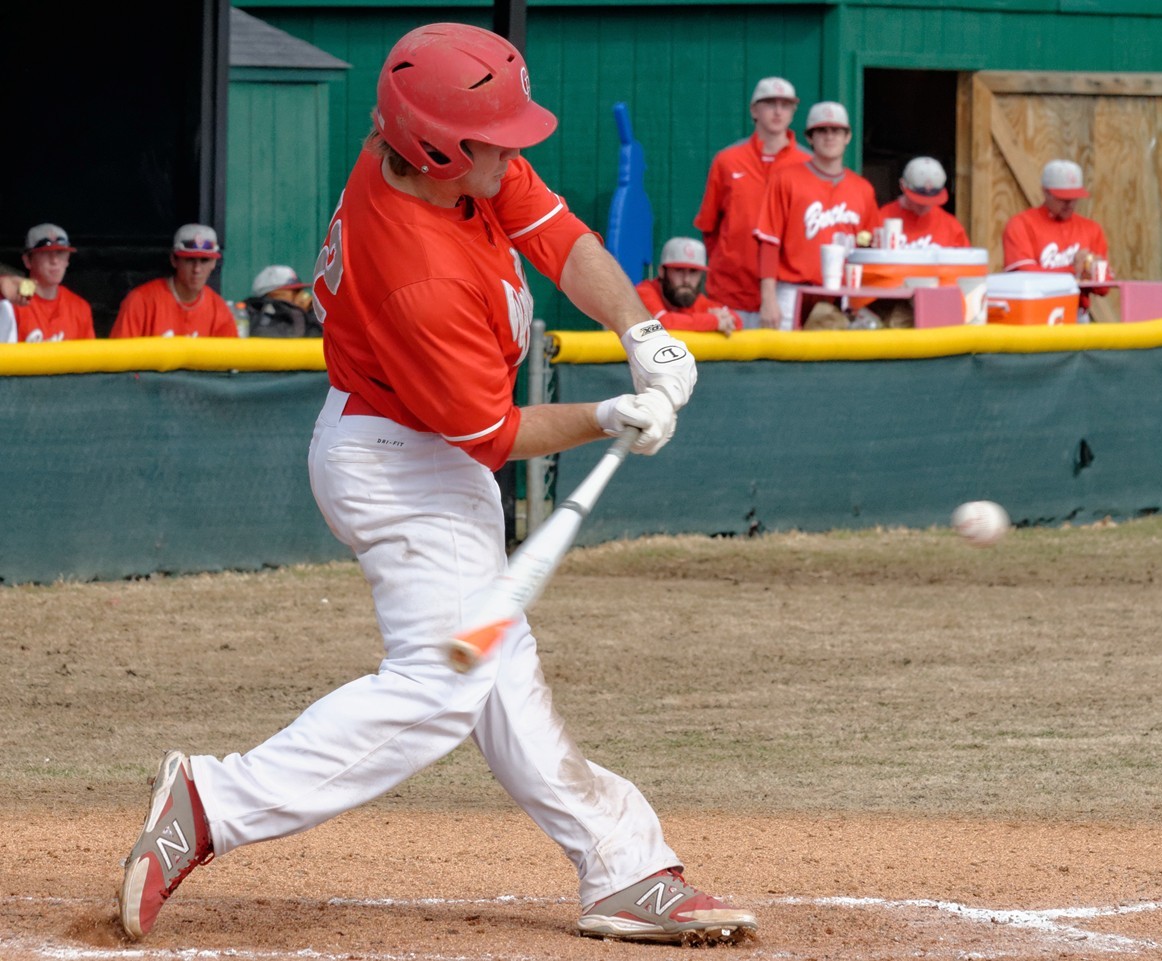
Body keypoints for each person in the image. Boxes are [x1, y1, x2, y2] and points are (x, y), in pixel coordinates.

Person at [116, 22, 750, 949]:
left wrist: (641, 331)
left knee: (495, 665)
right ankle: (212, 801)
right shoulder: (417, 270)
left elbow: (561, 237)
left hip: (410, 444)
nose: (516, 147)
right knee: (444, 683)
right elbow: (491, 434)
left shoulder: (449, 162)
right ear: (439, 145)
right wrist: (609, 415)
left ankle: (624, 864)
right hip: (402, 463)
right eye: (498, 135)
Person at [693, 77, 810, 329]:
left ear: (793, 111)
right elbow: (709, 227)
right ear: (754, 110)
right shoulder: (727, 160)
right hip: (730, 293)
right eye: (770, 103)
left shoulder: (808, 164)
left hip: (787, 295)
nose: (778, 111)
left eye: (785, 104)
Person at [755, 101, 880, 330]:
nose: (829, 136)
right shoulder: (786, 179)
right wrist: (768, 298)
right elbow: (769, 241)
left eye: (836, 130)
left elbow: (871, 250)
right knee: (787, 361)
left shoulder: (862, 189)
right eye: (822, 130)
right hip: (793, 291)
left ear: (848, 136)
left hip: (844, 294)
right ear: (810, 137)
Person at [109, 224, 237, 338]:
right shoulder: (141, 300)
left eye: (204, 260)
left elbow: (231, 360)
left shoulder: (219, 308)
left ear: (214, 263)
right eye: (189, 260)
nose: (197, 269)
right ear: (174, 260)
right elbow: (117, 360)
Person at [1000, 159, 1108, 275]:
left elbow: (1103, 287)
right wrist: (1073, 270)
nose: (1069, 203)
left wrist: (1095, 271)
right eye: (1062, 198)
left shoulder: (1091, 228)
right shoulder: (1021, 225)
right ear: (1045, 192)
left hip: (1078, 294)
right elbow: (1023, 274)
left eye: (1074, 198)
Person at [635, 237, 740, 334]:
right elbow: (661, 323)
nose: (686, 280)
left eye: (693, 271)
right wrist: (714, 321)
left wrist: (718, 319)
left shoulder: (691, 298)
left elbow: (736, 320)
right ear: (662, 271)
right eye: (679, 270)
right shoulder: (644, 292)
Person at [13, 224, 95, 341]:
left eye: (60, 253)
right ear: (27, 261)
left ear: (67, 260)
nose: (54, 260)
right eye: (45, 253)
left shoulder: (79, 307)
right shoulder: (13, 301)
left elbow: (89, 358)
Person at [877, 157, 969, 248]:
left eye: (931, 200)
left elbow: (966, 260)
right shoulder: (881, 219)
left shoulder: (951, 226)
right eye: (918, 200)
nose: (925, 205)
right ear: (902, 186)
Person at [242, 264, 322, 338]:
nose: (302, 295)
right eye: (295, 292)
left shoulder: (308, 314)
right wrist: (298, 311)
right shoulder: (258, 316)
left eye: (300, 291)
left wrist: (313, 311)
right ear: (274, 294)